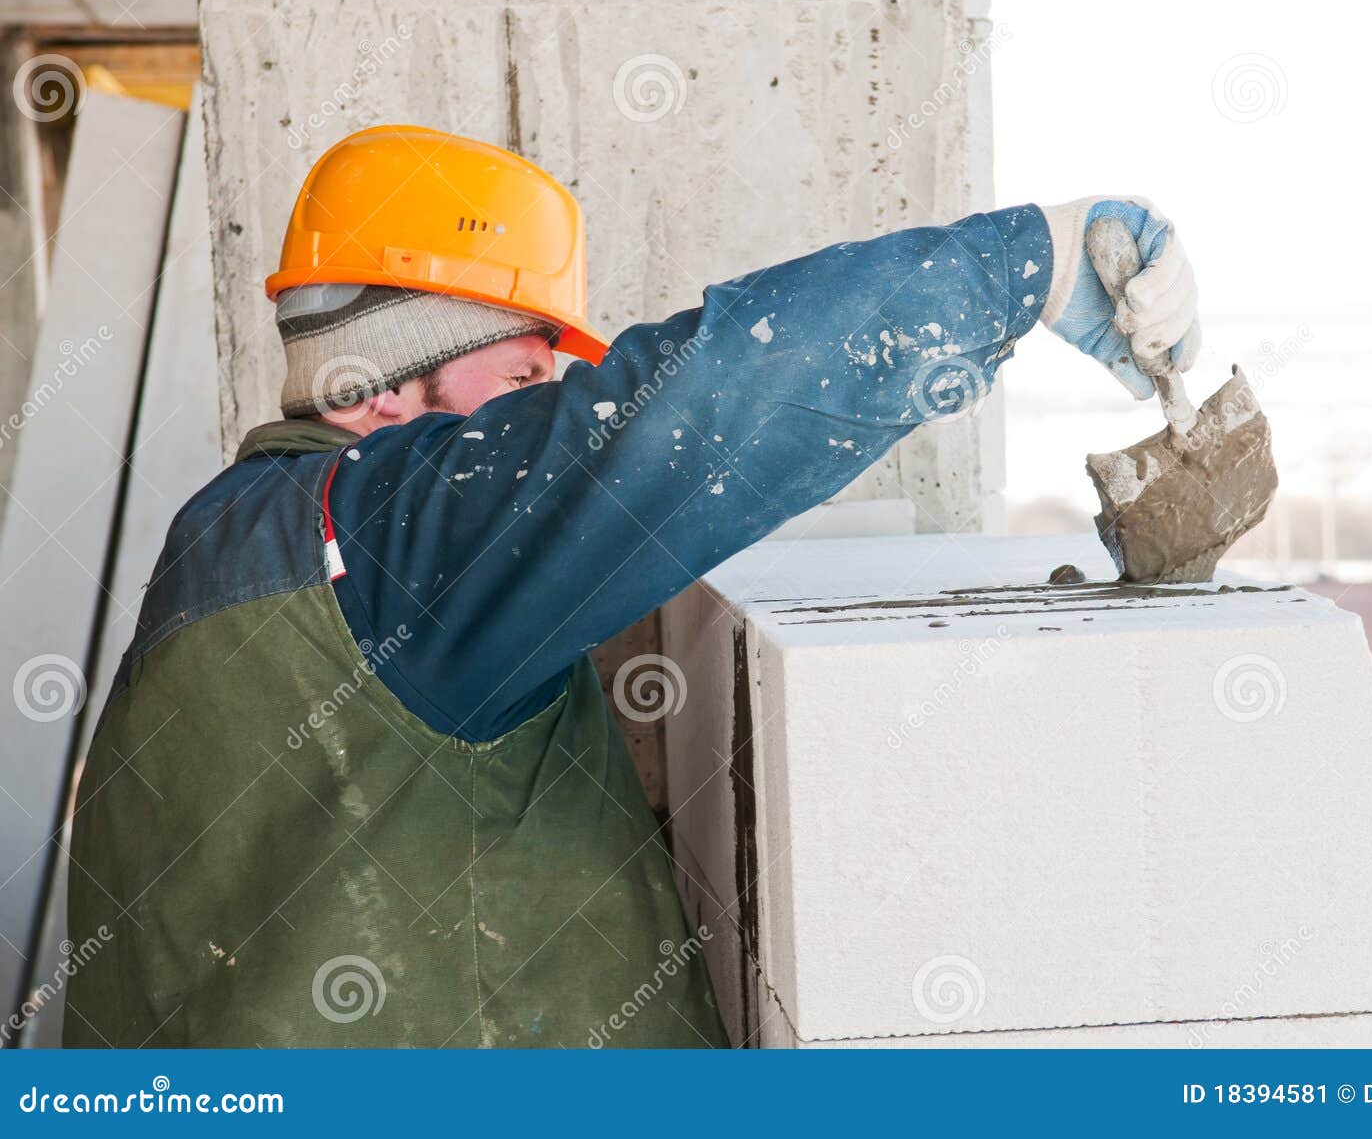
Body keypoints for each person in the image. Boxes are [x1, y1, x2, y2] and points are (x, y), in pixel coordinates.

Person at [65, 125, 1197, 1047]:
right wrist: (1022, 266)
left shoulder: (236, 534)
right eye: (519, 376)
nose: (534, 413)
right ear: (376, 379)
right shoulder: (388, 543)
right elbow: (693, 413)